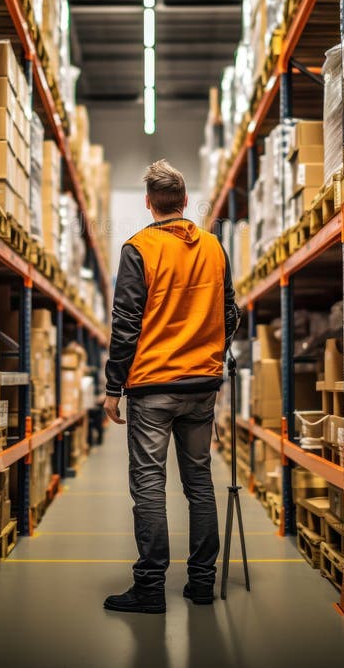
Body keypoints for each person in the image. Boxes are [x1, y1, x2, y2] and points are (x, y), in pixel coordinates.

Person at [103, 159, 239, 614]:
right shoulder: (215, 248)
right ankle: (201, 583)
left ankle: (150, 588)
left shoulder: (138, 248)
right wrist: (210, 351)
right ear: (184, 202)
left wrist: (112, 386)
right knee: (199, 482)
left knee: (149, 483)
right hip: (202, 386)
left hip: (152, 387)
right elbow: (231, 314)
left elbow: (125, 323)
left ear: (149, 204)